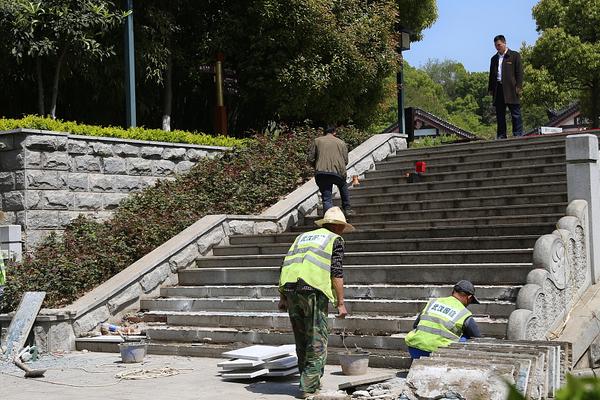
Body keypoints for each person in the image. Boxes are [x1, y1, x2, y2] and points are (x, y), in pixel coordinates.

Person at [278, 206, 353, 398]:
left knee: (302, 339)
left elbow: (286, 263)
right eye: (343, 227)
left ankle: (308, 381)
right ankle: (309, 388)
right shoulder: (334, 239)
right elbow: (336, 272)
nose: (344, 230)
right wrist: (341, 302)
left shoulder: (302, 238)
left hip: (291, 290)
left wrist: (282, 296)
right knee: (317, 340)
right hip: (312, 291)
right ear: (337, 226)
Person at [405, 280, 482, 359]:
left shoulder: (433, 302)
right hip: (437, 353)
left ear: (453, 292)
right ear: (469, 297)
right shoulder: (464, 313)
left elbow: (415, 325)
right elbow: (477, 337)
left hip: (414, 349)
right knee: (466, 336)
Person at [309, 126, 355, 217]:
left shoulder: (317, 141)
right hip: (338, 172)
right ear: (334, 133)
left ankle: (328, 217)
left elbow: (310, 158)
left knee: (326, 198)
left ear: (324, 132)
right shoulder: (341, 142)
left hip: (322, 173)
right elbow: (346, 160)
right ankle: (347, 209)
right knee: (343, 186)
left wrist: (317, 165)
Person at [488, 34, 524, 139]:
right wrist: (490, 88)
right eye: (495, 45)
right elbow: (491, 74)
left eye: (499, 45)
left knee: (515, 113)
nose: (497, 47)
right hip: (498, 88)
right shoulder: (494, 59)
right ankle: (501, 135)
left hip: (511, 88)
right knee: (500, 114)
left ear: (504, 43)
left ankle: (517, 134)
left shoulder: (514, 55)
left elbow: (519, 72)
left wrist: (519, 86)